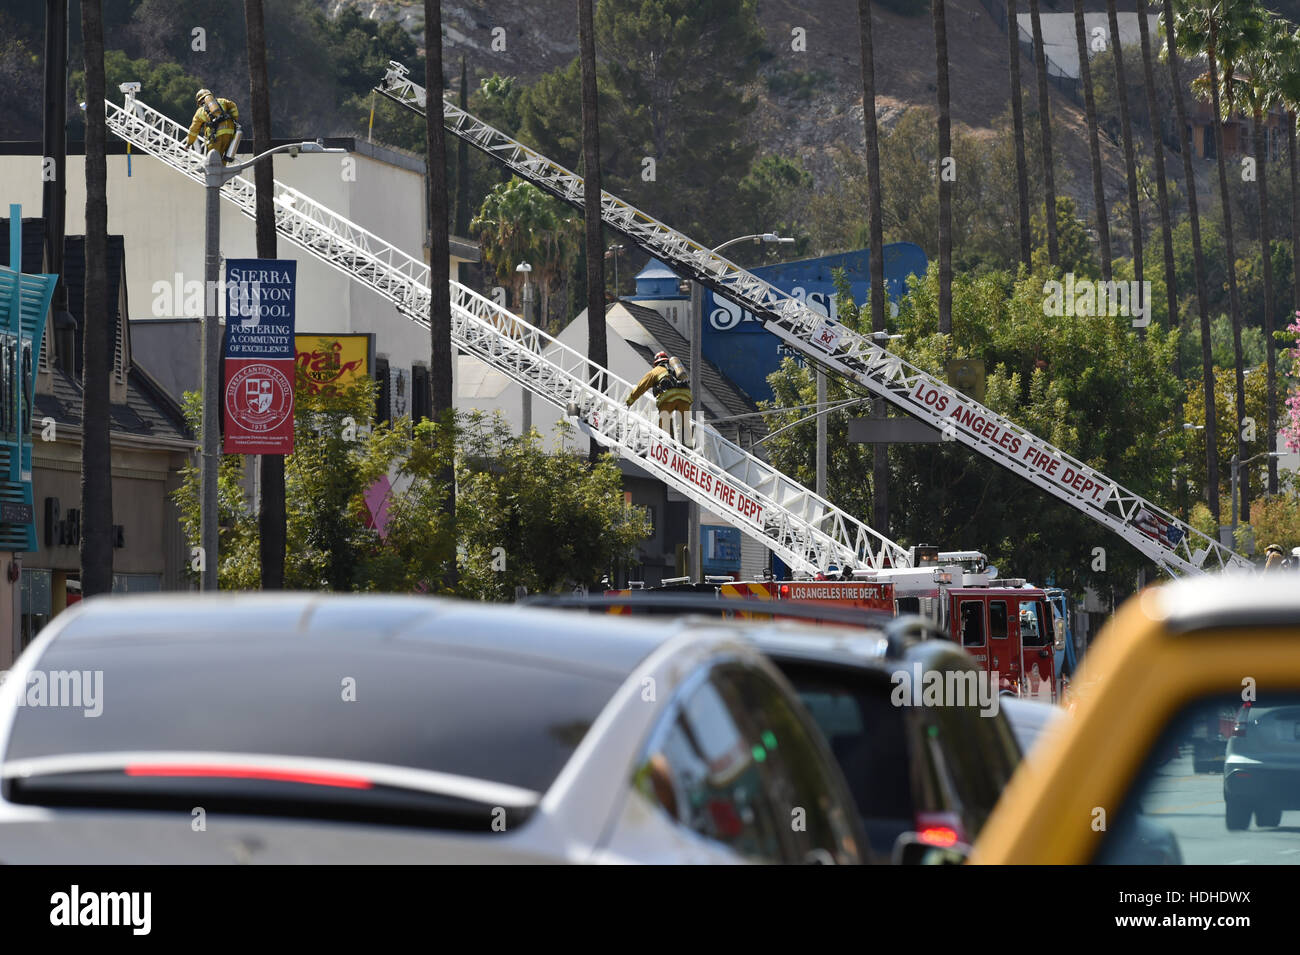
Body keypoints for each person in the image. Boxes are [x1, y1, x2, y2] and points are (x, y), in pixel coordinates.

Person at [625, 351, 692, 437]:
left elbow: (640, 388)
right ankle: (686, 448)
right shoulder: (675, 369)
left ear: (656, 363)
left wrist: (629, 401)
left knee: (665, 426)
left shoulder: (655, 372)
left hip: (668, 397)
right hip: (685, 397)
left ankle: (668, 446)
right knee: (684, 426)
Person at [185, 89, 241, 164]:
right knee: (225, 156)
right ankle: (222, 171)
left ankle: (216, 173)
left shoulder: (200, 111)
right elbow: (233, 107)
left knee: (213, 159)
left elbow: (193, 130)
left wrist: (189, 143)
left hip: (215, 136)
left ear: (199, 101)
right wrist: (234, 118)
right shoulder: (222, 101)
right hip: (230, 133)